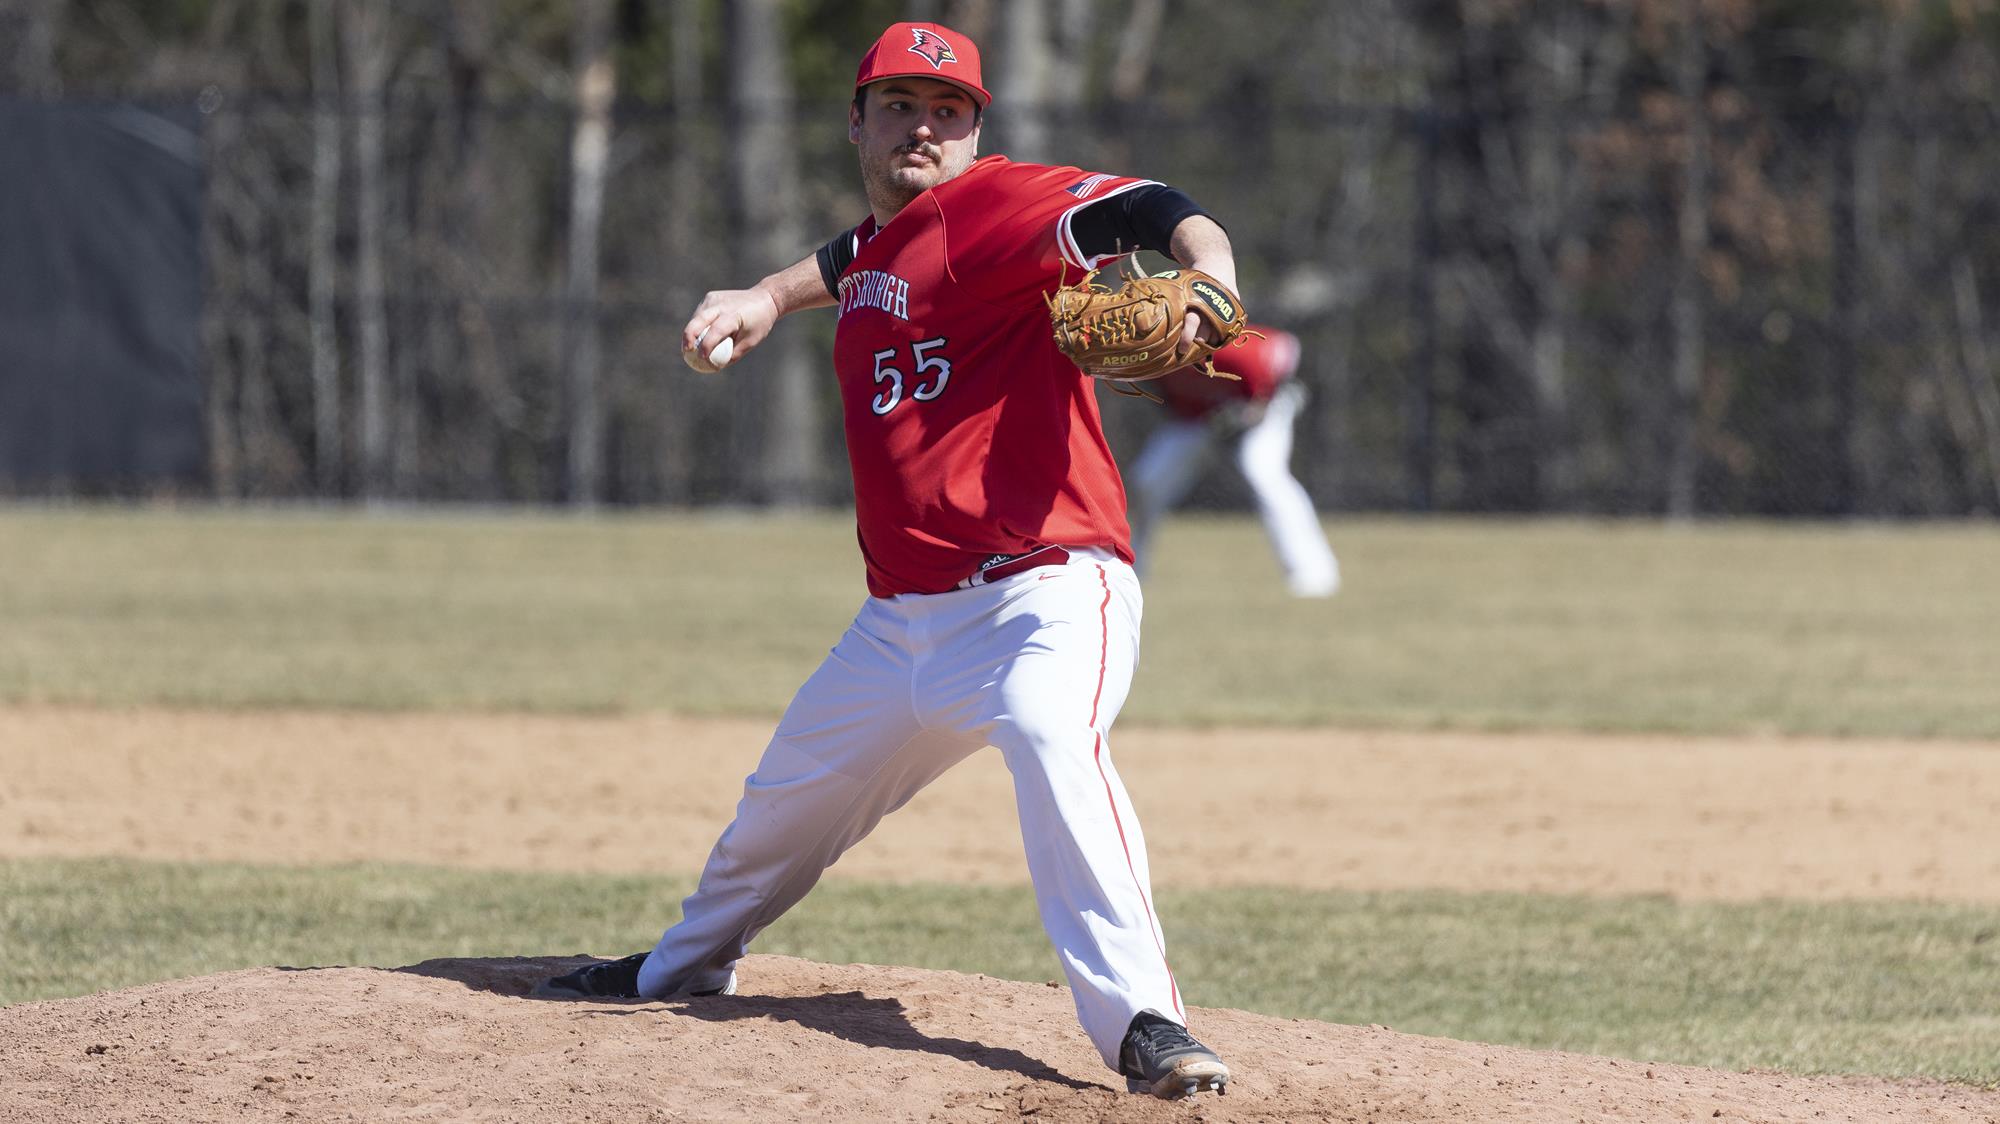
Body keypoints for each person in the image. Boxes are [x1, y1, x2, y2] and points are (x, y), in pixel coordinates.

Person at [532, 21, 1234, 1100]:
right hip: (899, 622)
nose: (924, 128)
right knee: (777, 810)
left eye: (948, 111)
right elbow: (850, 259)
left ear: (975, 132)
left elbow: (1148, 206)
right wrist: (765, 297)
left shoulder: (998, 204)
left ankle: (1145, 1021)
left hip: (1044, 593)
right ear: (856, 121)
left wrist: (1210, 271)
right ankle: (682, 968)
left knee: (1051, 737)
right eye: (900, 105)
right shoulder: (884, 244)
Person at [1126, 325, 1341, 598]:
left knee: (1263, 473)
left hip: (1259, 413)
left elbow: (1286, 349)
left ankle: (1314, 571)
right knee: (1147, 481)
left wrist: (1249, 411)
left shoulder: (1235, 349)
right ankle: (1130, 568)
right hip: (1198, 418)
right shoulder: (1150, 354)